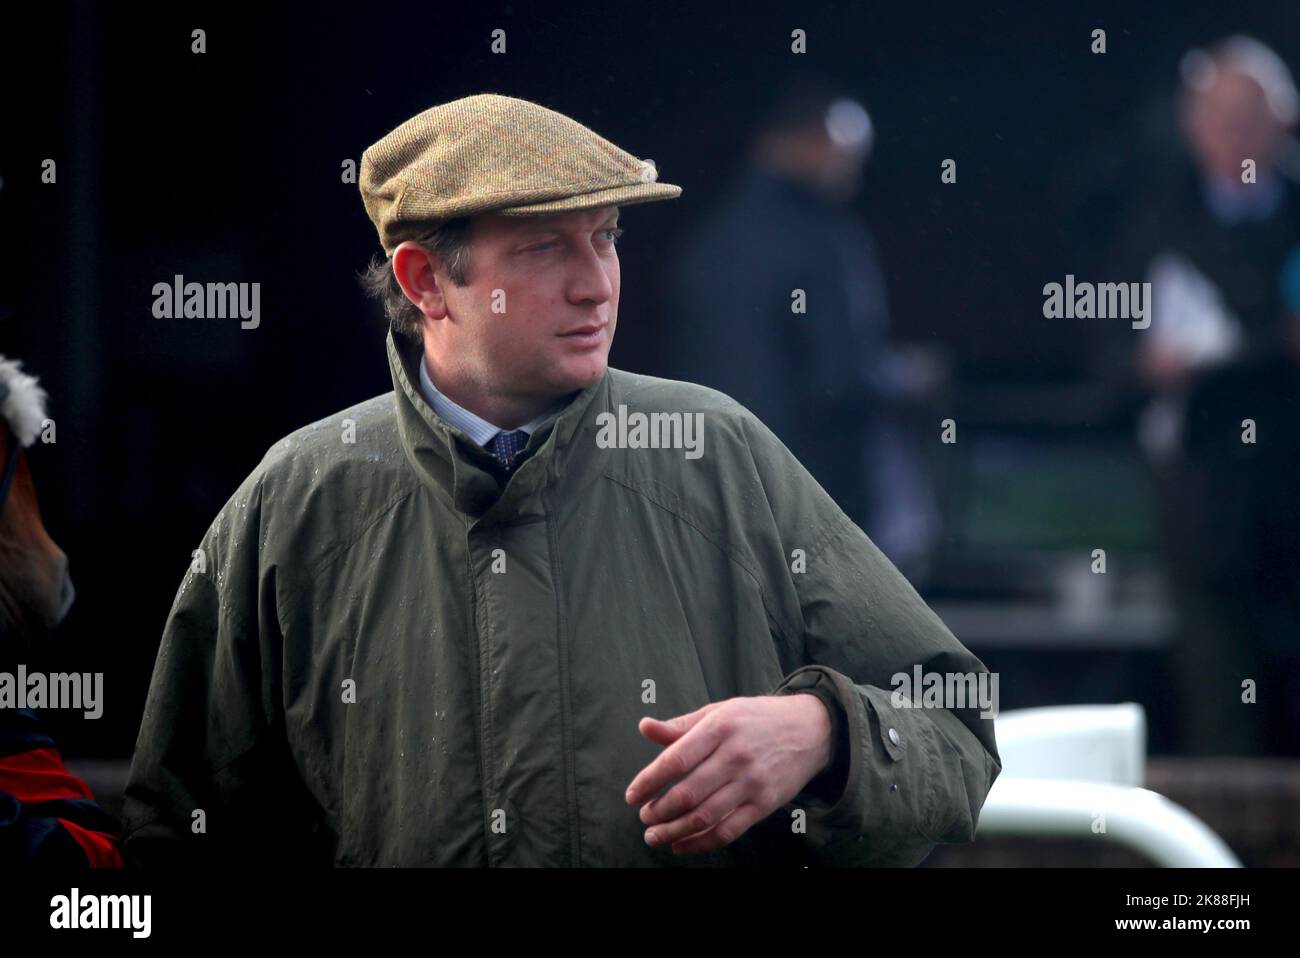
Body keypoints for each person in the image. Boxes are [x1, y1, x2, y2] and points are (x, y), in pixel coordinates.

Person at [121, 93, 999, 866]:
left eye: (607, 238)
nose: (598, 285)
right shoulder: (296, 502)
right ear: (426, 279)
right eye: (546, 248)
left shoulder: (718, 452)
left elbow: (957, 728)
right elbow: (179, 831)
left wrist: (827, 731)